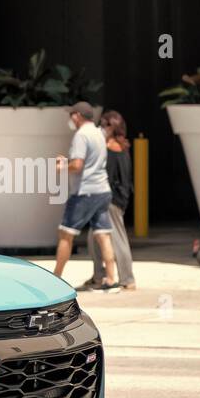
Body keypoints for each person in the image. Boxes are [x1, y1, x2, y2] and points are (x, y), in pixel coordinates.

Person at [53, 101, 119, 292]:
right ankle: (112, 280)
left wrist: (62, 167)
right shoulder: (99, 133)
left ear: (77, 116)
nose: (70, 119)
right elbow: (91, 162)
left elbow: (78, 165)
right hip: (102, 190)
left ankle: (55, 279)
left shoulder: (81, 135)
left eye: (71, 114)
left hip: (84, 192)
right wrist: (68, 161)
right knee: (103, 236)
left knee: (66, 234)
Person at [81, 109, 136, 290]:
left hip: (110, 200)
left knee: (117, 239)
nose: (100, 128)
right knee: (94, 237)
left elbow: (107, 177)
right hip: (115, 199)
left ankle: (127, 279)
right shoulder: (122, 146)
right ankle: (99, 275)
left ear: (110, 127)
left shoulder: (110, 149)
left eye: (103, 125)